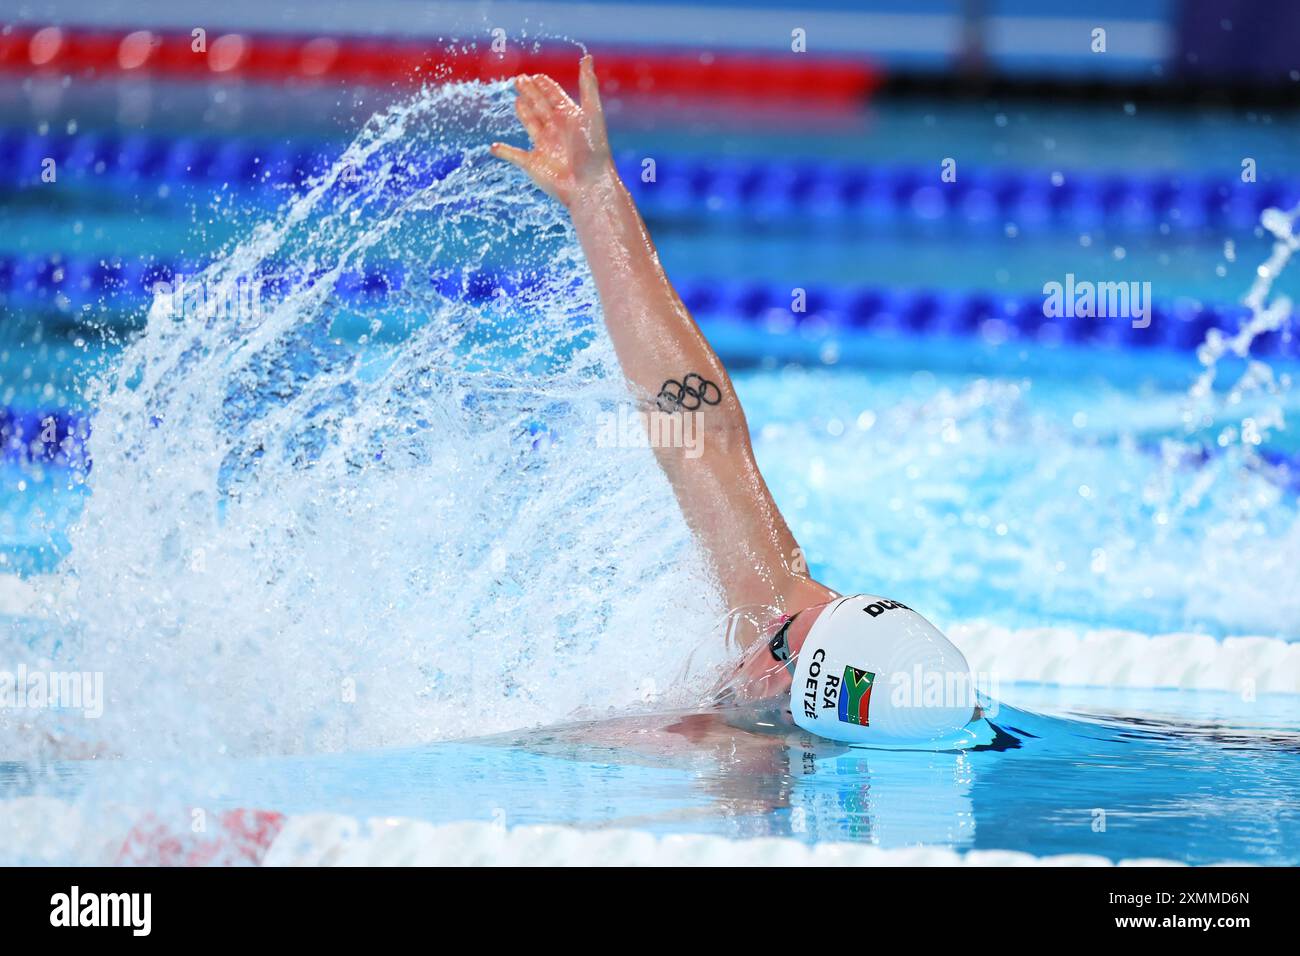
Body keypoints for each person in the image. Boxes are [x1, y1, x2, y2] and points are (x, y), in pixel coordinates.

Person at [491, 57, 977, 746]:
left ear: (788, 698)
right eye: (816, 608)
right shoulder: (793, 658)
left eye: (783, 642)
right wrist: (597, 196)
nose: (780, 610)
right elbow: (700, 432)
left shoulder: (713, 767)